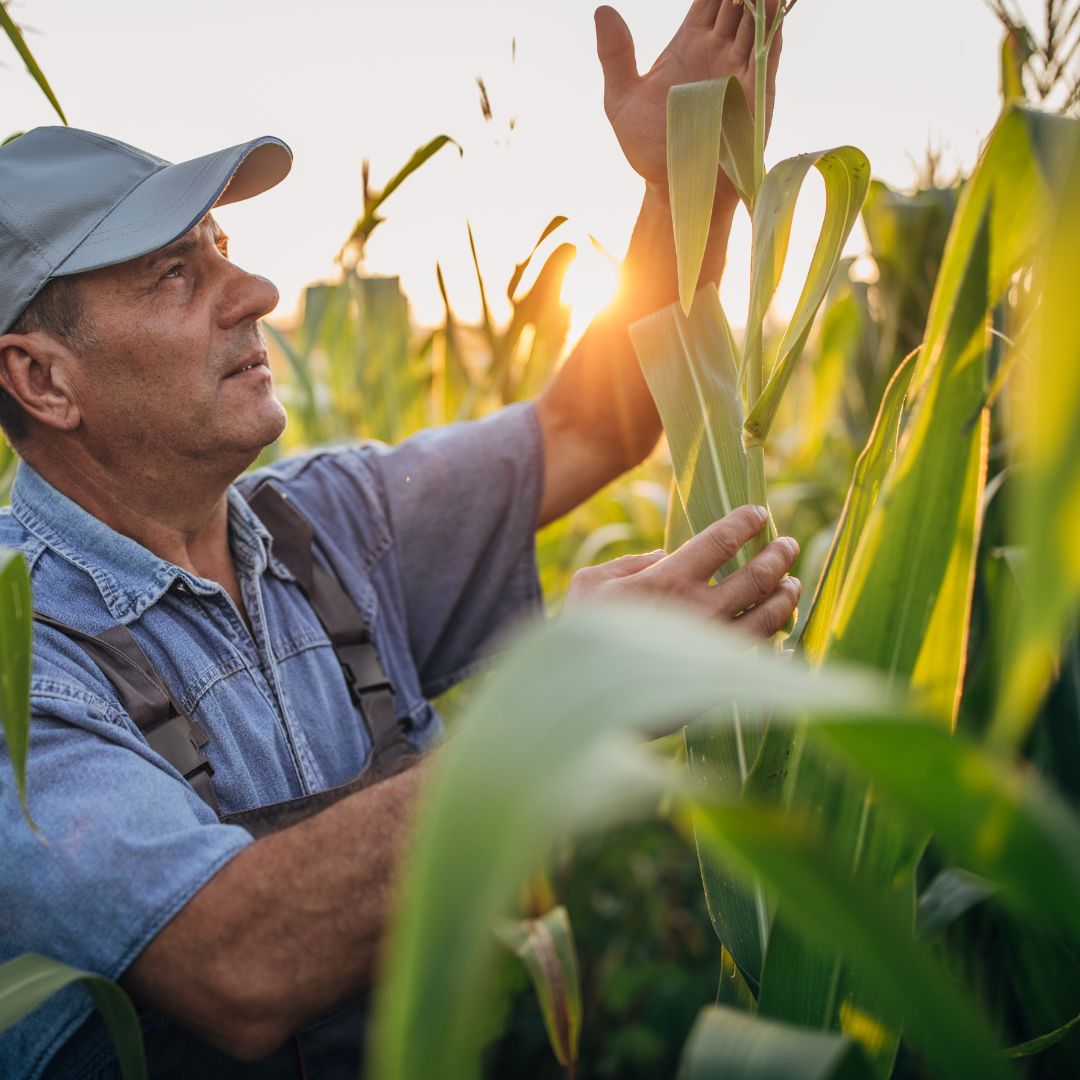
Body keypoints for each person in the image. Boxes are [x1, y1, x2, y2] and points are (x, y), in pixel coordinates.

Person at [0, 2, 797, 1076]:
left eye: (220, 249)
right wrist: (561, 701)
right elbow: (231, 961)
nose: (259, 293)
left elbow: (592, 422)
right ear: (43, 380)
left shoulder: (336, 523)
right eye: (176, 276)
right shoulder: (22, 660)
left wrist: (682, 179)